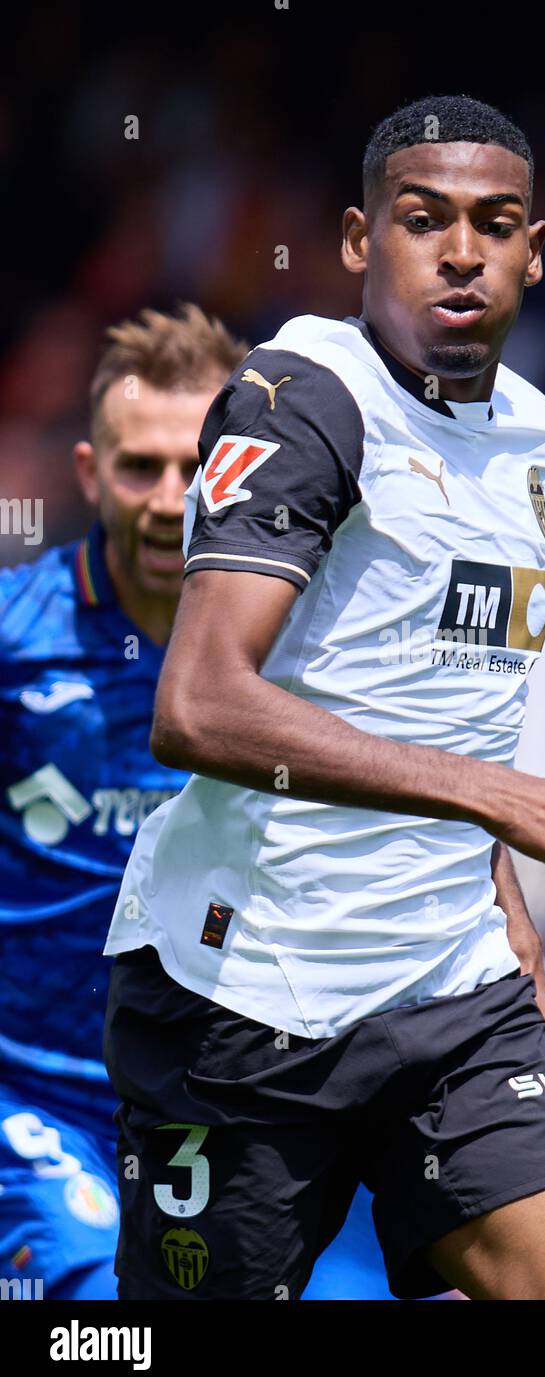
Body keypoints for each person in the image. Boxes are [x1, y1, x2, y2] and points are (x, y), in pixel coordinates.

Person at [102, 94, 545, 1301]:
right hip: (240, 1001)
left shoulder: (544, 442)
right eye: (424, 221)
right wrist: (494, 798)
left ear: (532, 246)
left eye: (494, 223)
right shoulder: (306, 396)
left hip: (450, 999)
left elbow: (453, 694)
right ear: (362, 242)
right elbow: (197, 708)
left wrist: (507, 913)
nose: (460, 250)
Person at [0, 304, 246, 1298]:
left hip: (217, 1106)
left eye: (198, 468)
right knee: (100, 1303)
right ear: (91, 473)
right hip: (31, 1099)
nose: (168, 497)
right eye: (140, 467)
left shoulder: (291, 654)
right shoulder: (17, 634)